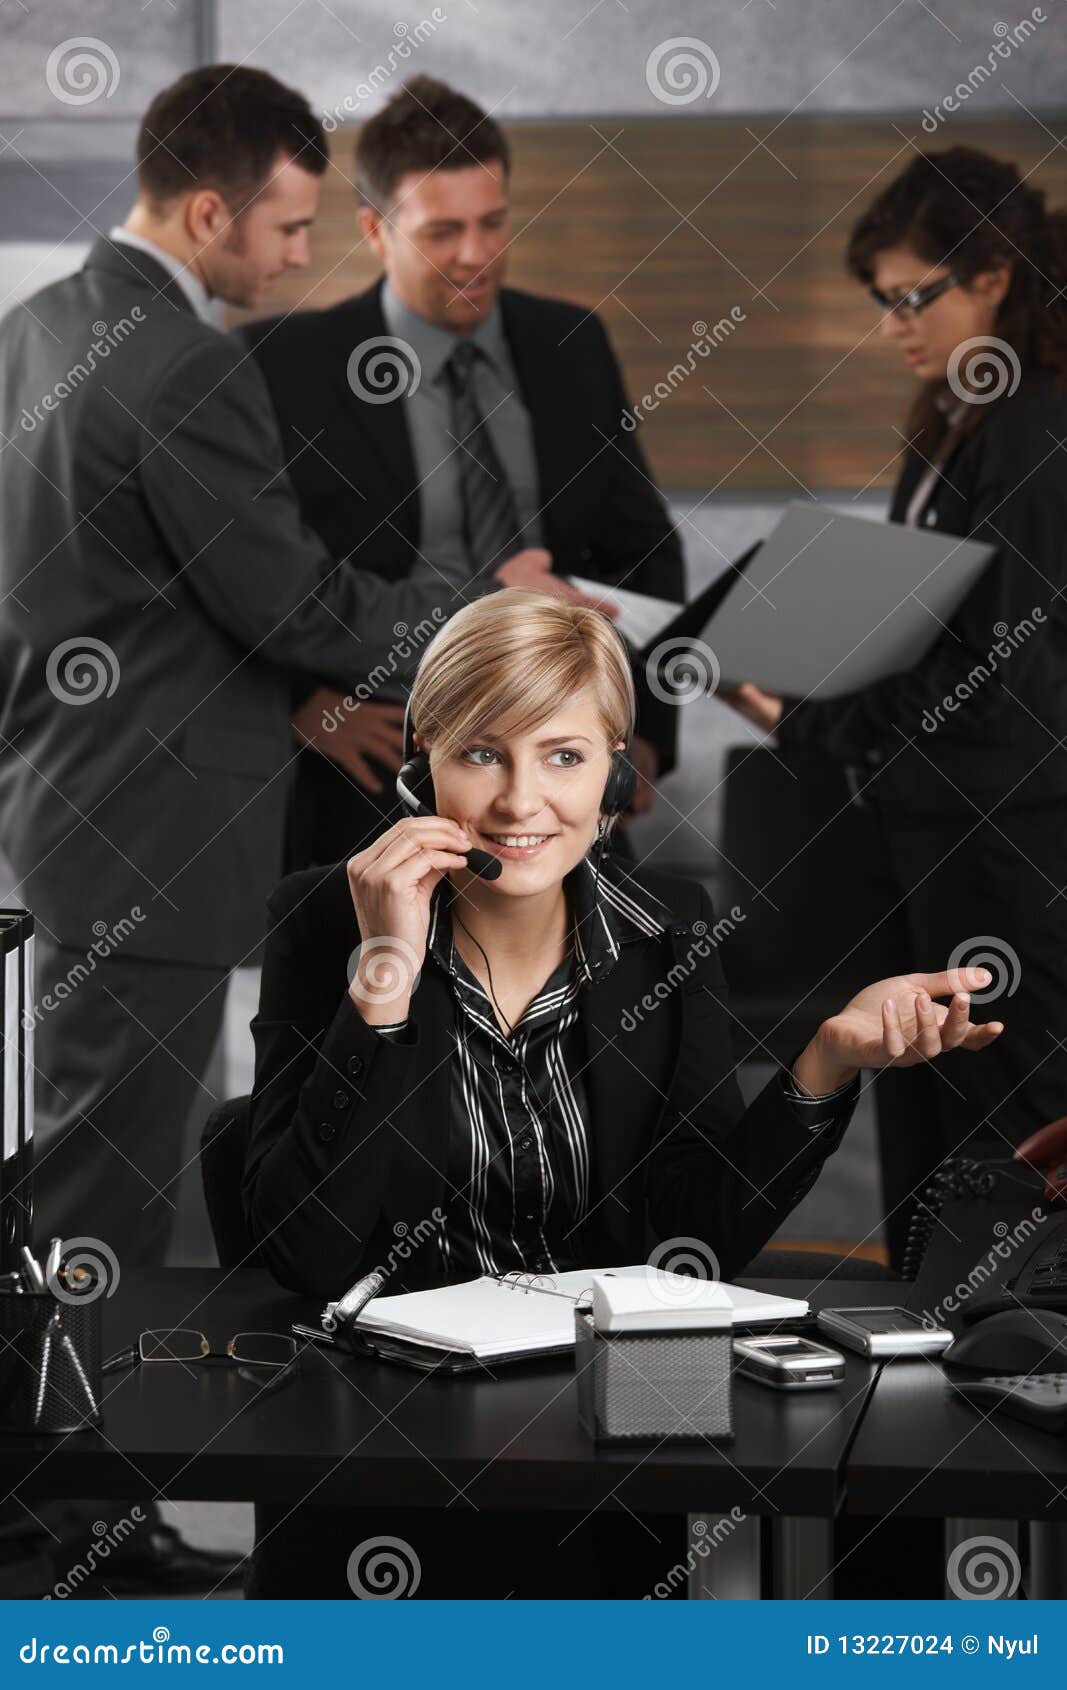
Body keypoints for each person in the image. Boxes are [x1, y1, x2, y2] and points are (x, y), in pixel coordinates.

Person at [241, 588, 999, 1597]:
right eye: (481, 754)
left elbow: (691, 1235)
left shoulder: (665, 937)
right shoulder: (323, 922)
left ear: (612, 771)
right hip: (374, 1440)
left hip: (599, 1439)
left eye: (562, 755)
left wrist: (825, 1062)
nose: (520, 802)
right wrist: (383, 971)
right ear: (422, 764)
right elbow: (307, 1251)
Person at [0, 63, 606, 1275]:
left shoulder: (36, 329)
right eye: (285, 228)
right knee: (104, 1190)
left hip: (73, 799)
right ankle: (64, 1402)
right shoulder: (184, 362)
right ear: (206, 213)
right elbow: (293, 602)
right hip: (152, 824)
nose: (295, 258)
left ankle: (73, 1388)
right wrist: (495, 603)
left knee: (85, 1158)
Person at [720, 147, 1067, 1269]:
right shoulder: (963, 413)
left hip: (1001, 837)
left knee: (1000, 1109)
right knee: (928, 1093)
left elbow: (997, 667)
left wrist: (809, 716)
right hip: (932, 823)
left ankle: (1005, 1343)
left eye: (914, 297)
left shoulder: (1028, 426)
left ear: (993, 278)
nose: (893, 326)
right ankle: (934, 1329)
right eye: (883, 301)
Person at [239, 76, 685, 872]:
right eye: (442, 232)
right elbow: (238, 571)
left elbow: (643, 545)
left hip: (562, 766)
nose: (475, 255)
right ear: (375, 230)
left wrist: (648, 732)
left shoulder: (570, 344)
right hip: (377, 767)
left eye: (491, 223)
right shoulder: (283, 365)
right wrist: (301, 708)